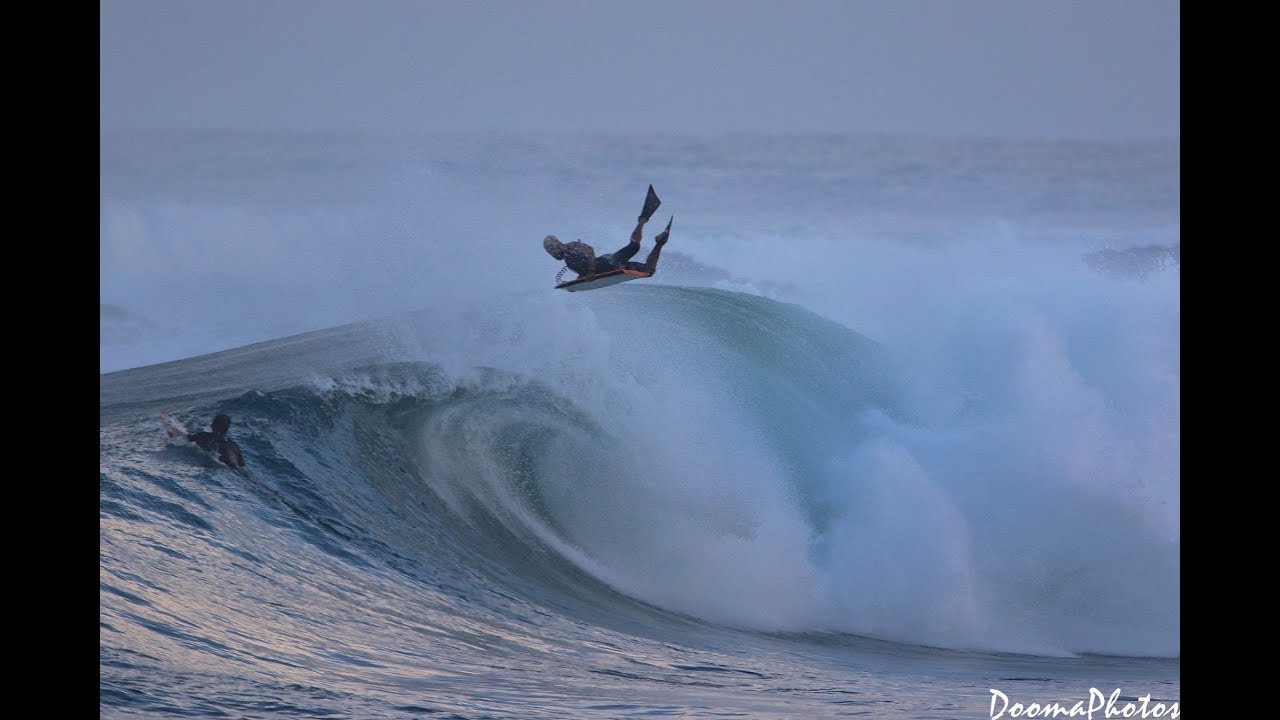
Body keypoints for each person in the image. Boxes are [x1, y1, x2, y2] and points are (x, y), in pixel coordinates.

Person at [543, 214, 670, 279]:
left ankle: (659, 242)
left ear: (556, 245)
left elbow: (589, 250)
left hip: (608, 264)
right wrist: (578, 282)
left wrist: (591, 272)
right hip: (608, 262)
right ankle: (646, 226)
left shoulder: (569, 247)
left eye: (550, 250)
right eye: (549, 252)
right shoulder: (568, 257)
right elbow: (584, 266)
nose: (551, 254)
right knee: (634, 247)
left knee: (648, 270)